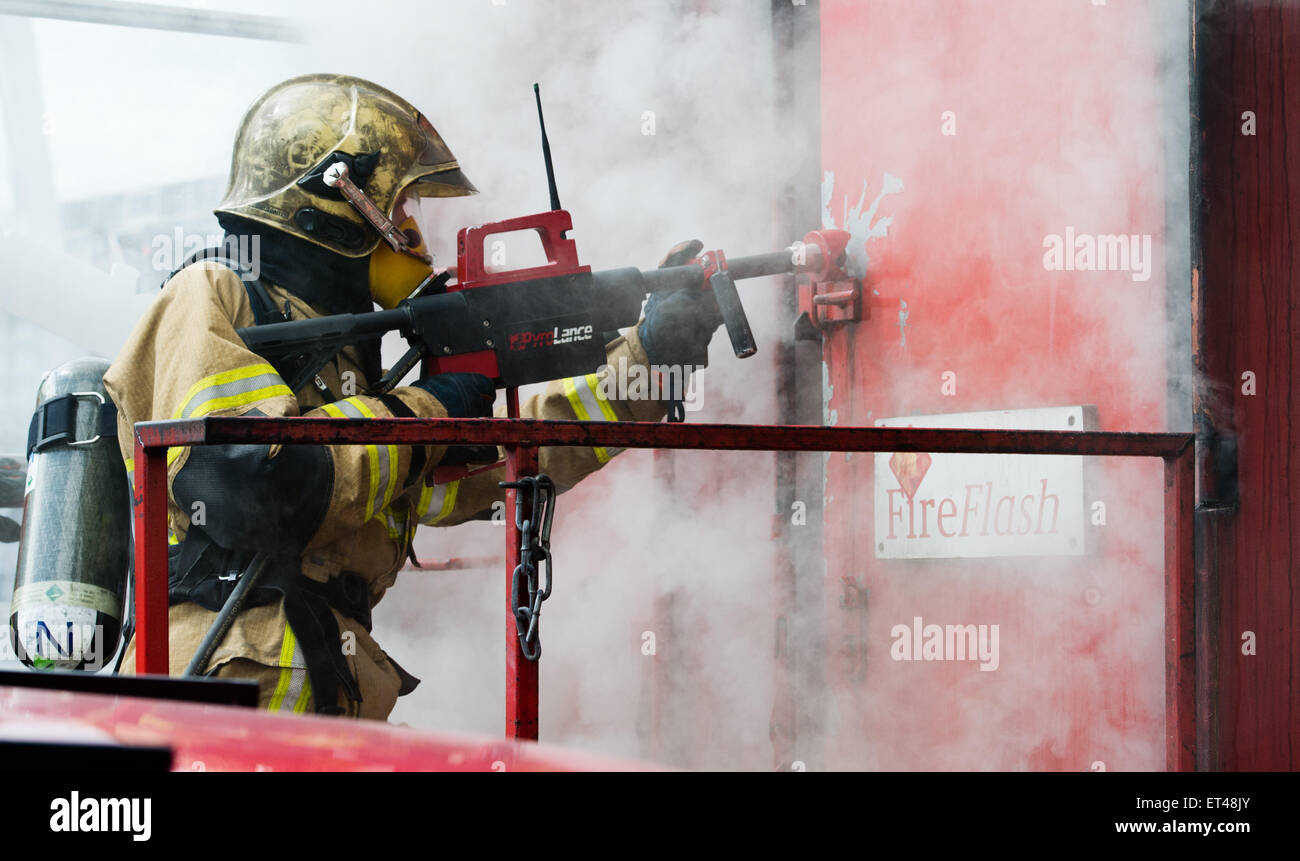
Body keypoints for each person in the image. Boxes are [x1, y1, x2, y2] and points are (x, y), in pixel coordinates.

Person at [106, 73, 722, 719]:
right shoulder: (211, 293)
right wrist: (430, 408)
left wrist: (651, 366)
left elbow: (503, 463)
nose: (413, 233)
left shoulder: (358, 375)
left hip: (319, 705)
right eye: (400, 209)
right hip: (212, 702)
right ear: (336, 196)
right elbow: (252, 484)